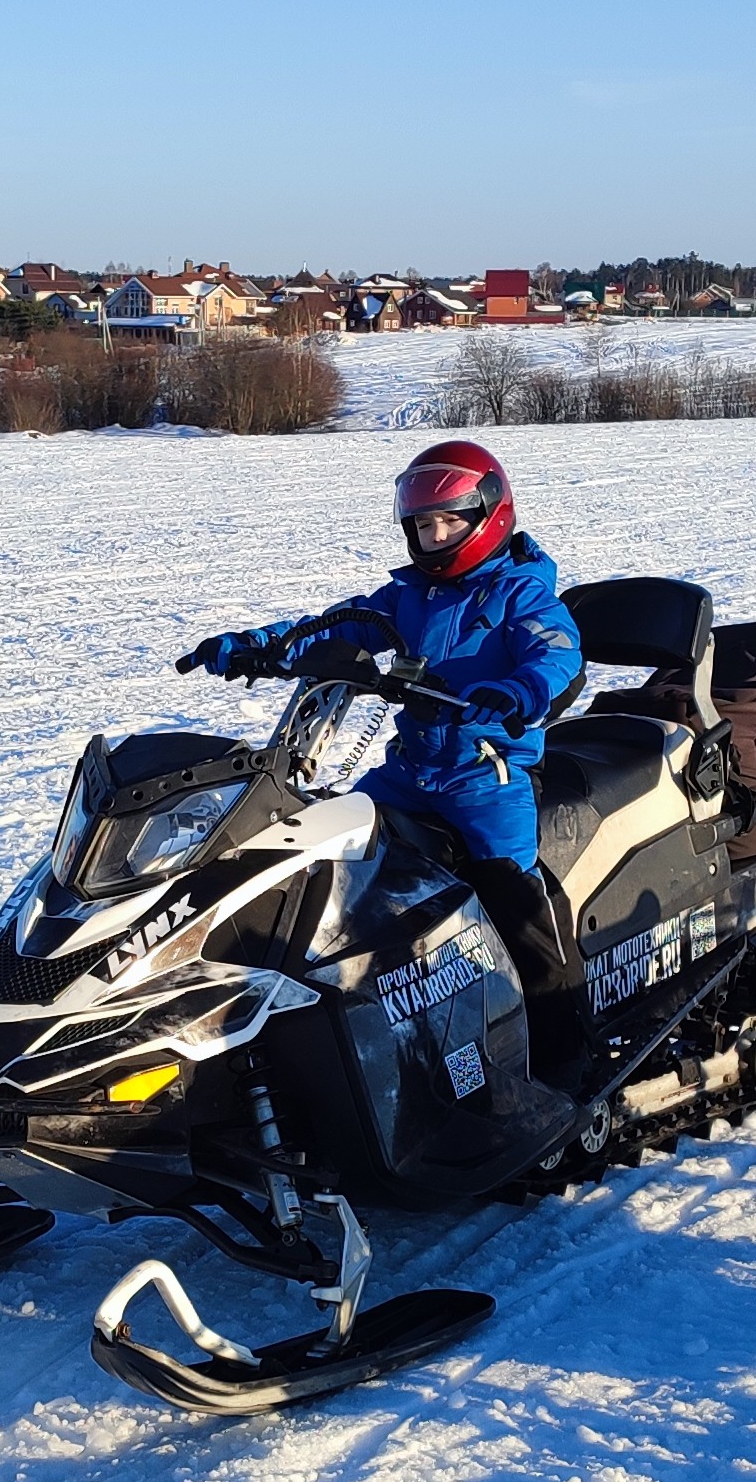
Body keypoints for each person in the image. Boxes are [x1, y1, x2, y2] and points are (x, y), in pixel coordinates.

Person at [179, 439, 588, 1054]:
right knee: (331, 847)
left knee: (511, 890)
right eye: (423, 524)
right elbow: (338, 627)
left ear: (489, 516)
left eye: (450, 520)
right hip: (410, 770)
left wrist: (516, 691)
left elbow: (557, 654)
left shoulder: (520, 593)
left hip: (487, 775)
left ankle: (565, 1046)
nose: (436, 534)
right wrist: (259, 646)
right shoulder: (407, 596)